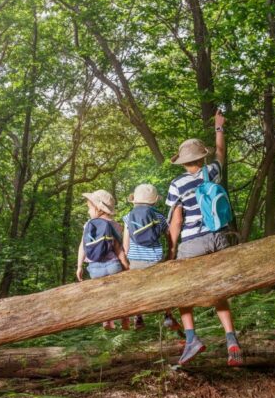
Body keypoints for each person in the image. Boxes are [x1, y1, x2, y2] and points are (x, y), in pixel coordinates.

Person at [166, 109, 243, 366]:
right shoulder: (213, 171)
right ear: (202, 156)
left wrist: (172, 251)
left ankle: (191, 339)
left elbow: (176, 220)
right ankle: (231, 339)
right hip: (218, 238)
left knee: (181, 292)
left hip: (192, 242)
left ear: (184, 162)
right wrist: (218, 128)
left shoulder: (177, 184)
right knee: (219, 288)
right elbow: (221, 153)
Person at [121, 184, 174, 331]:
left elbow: (126, 244)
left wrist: (126, 260)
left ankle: (138, 317)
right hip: (155, 259)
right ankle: (168, 316)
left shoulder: (128, 217)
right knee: (163, 286)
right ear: (154, 201)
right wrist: (170, 251)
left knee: (135, 289)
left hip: (135, 261)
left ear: (135, 201)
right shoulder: (159, 217)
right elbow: (169, 236)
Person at [76, 189, 130, 330]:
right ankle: (125, 318)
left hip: (95, 268)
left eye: (89, 208)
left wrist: (79, 266)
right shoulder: (116, 225)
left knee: (103, 295)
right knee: (119, 293)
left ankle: (107, 321)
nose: (88, 212)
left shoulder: (89, 225)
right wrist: (125, 265)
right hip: (113, 265)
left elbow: (83, 246)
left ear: (98, 208)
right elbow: (119, 249)